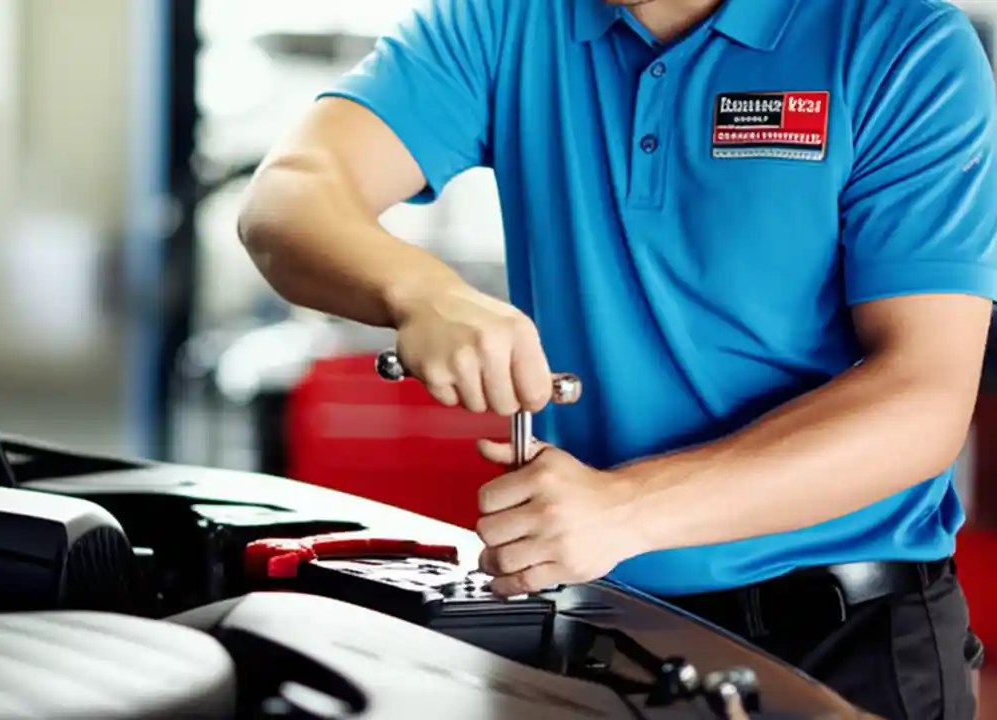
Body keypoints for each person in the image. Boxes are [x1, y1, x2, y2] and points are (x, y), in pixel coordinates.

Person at [237, 0, 996, 716]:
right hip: (598, 626)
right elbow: (289, 197)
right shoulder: (504, 20)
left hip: (843, 641)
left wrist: (627, 510)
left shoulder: (902, 43)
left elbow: (922, 398)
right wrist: (418, 292)